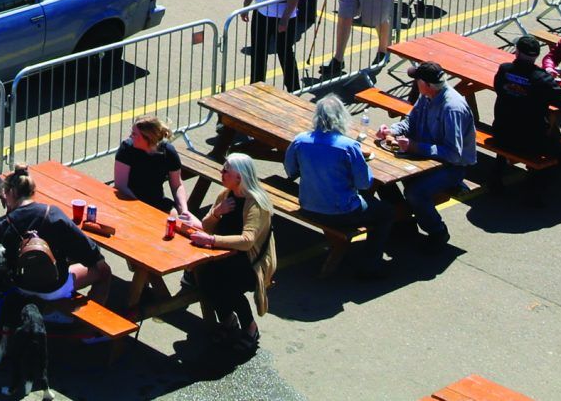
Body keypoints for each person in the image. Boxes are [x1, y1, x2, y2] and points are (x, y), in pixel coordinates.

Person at [162, 152, 272, 363]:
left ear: (239, 177)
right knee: (206, 279)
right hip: (223, 257)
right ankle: (228, 321)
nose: (221, 173)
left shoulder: (255, 203)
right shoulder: (226, 195)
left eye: (225, 171)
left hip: (250, 262)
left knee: (228, 286)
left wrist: (212, 240)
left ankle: (250, 327)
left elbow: (247, 241)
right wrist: (216, 213)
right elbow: (205, 225)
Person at [378, 62, 475, 244]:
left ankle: (437, 232)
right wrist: (392, 131)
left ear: (427, 84)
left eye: (417, 80)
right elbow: (410, 121)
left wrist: (416, 147)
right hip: (424, 158)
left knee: (416, 193)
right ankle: (404, 221)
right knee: (383, 178)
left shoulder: (452, 108)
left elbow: (454, 154)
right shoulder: (427, 96)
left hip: (451, 167)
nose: (415, 83)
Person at [283, 95, 387, 262]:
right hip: (341, 213)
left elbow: (290, 171)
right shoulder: (349, 146)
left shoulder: (300, 140)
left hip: (308, 207)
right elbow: (365, 183)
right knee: (386, 212)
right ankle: (371, 263)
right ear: (342, 117)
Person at [0, 168, 108, 298]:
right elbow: (90, 250)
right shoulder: (52, 214)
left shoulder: (5, 223)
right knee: (102, 270)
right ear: (33, 191)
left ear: (10, 193)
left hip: (20, 287)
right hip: (53, 290)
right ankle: (92, 314)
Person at [111, 116, 189, 213]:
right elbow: (121, 186)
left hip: (157, 203)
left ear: (148, 138)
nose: (130, 136)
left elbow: (177, 185)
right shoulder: (126, 149)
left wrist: (184, 210)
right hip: (129, 201)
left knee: (197, 226)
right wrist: (142, 209)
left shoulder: (168, 152)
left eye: (134, 134)